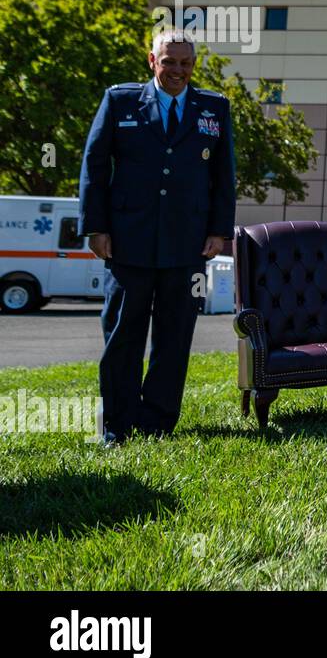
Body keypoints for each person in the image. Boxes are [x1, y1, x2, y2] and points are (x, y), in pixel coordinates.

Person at [78, 28, 236, 445]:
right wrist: (96, 227)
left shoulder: (214, 108)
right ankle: (117, 424)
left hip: (187, 245)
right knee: (122, 336)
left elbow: (224, 177)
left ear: (193, 65)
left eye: (185, 63)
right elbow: (94, 167)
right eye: (169, 62)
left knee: (174, 336)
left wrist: (219, 232)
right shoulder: (120, 100)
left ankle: (158, 423)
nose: (177, 71)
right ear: (152, 61)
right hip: (127, 242)